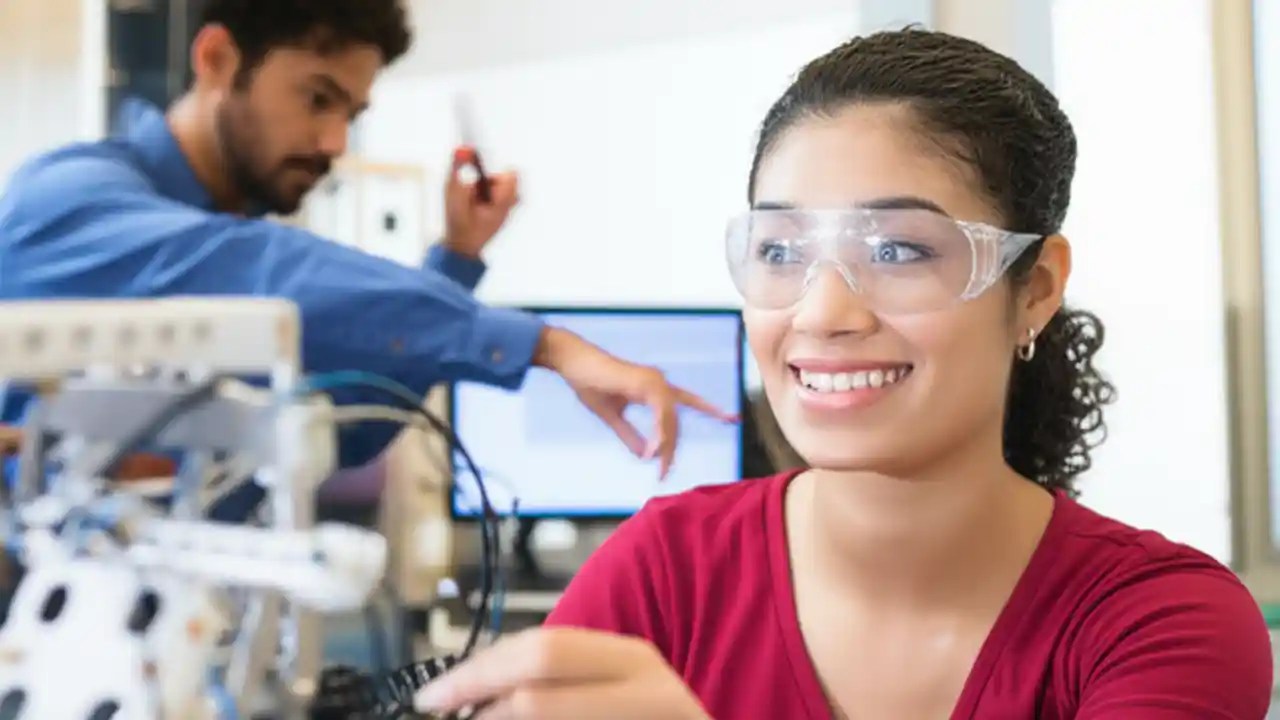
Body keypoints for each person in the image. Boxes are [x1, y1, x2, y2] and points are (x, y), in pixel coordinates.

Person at [411, 29, 1274, 719]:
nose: (822, 312)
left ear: (1036, 289)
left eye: (898, 250)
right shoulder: (664, 570)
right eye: (779, 250)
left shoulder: (1161, 623)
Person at [0, 0, 731, 476]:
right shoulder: (67, 200)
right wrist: (547, 346)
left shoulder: (232, 248)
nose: (333, 140)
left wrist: (459, 256)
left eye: (351, 112)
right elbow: (258, 272)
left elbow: (346, 423)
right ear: (217, 59)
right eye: (317, 98)